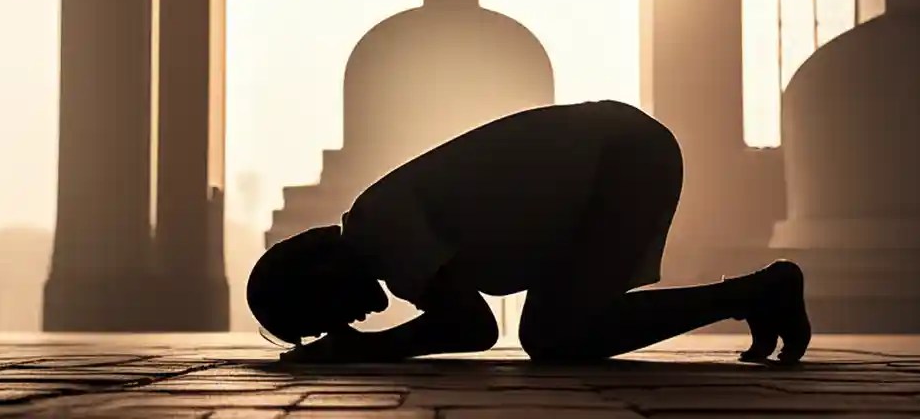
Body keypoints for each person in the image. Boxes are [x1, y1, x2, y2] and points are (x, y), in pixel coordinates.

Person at [247, 100, 810, 364]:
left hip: (620, 158)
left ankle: (760, 292)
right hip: (618, 153)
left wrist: (363, 353)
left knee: (556, 335)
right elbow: (463, 323)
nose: (344, 323)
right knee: (559, 331)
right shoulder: (385, 236)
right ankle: (756, 293)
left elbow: (471, 328)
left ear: (318, 272)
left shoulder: (384, 230)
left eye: (325, 316)